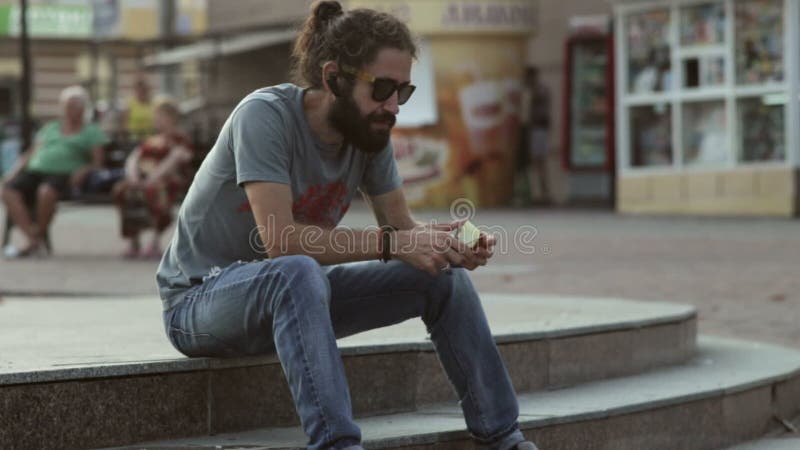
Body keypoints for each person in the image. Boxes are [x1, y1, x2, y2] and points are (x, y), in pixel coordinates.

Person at [157, 2, 539, 450]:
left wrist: (447, 245)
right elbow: (281, 241)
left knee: (444, 279)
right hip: (200, 303)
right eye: (381, 88)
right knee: (296, 269)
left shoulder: (369, 133)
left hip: (297, 298)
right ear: (333, 76)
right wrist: (393, 243)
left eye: (404, 92)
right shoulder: (264, 116)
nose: (393, 106)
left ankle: (503, 437)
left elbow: (400, 230)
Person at [1, 85, 107, 257]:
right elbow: (30, 154)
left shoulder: (91, 131)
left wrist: (83, 171)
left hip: (63, 174)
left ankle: (37, 237)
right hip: (35, 171)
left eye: (74, 106)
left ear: (82, 109)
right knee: (8, 190)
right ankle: (33, 239)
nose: (69, 110)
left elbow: (97, 163)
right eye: (67, 106)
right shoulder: (51, 128)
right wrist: (13, 172)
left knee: (46, 192)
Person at [113, 96, 194, 259]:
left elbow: (177, 159)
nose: (156, 120)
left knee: (155, 191)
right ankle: (133, 239)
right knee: (121, 190)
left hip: (167, 179)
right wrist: (134, 176)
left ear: (171, 118)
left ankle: (155, 241)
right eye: (156, 116)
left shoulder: (180, 139)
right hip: (143, 178)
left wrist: (152, 178)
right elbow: (134, 158)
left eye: (160, 116)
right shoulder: (151, 139)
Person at [522, 66, 551, 205]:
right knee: (536, 163)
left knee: (538, 162)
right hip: (533, 129)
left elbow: (539, 108)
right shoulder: (532, 91)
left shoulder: (539, 91)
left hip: (538, 129)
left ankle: (541, 194)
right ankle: (537, 193)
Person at [122, 72, 155, 142]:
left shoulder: (154, 104)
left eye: (144, 90)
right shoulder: (129, 104)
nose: (142, 92)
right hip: (134, 139)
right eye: (139, 89)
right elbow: (124, 125)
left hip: (151, 139)